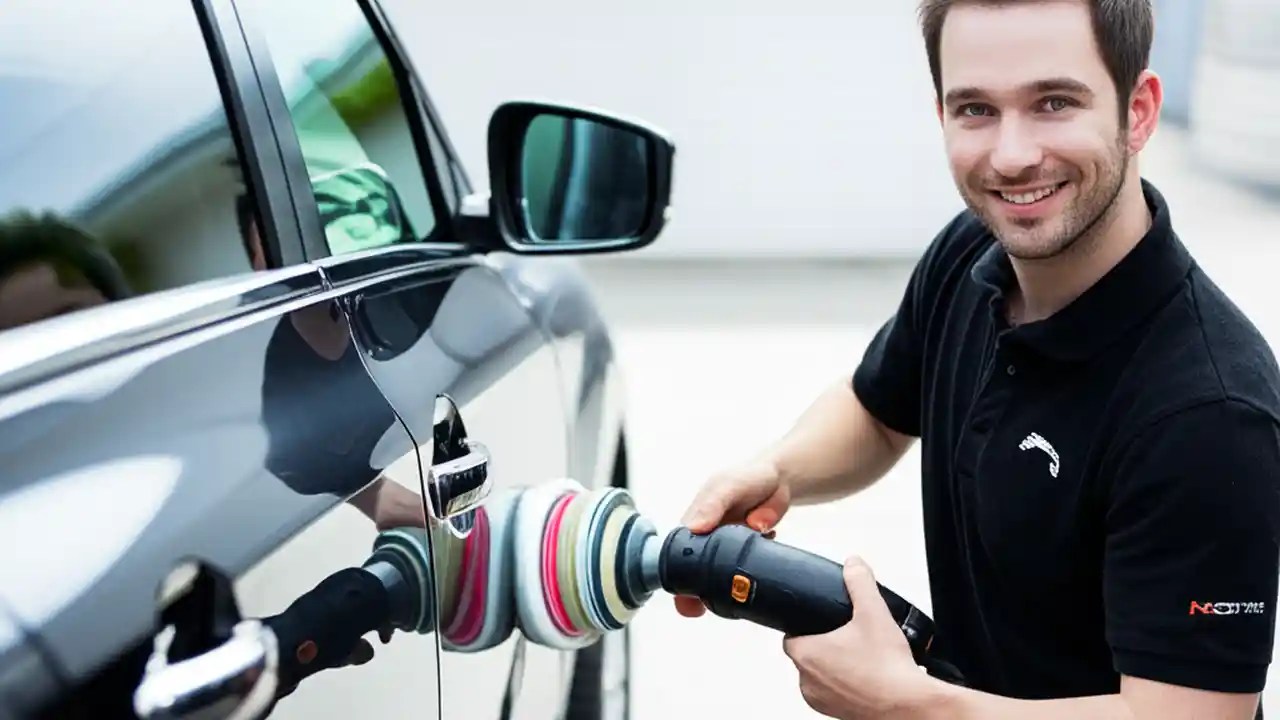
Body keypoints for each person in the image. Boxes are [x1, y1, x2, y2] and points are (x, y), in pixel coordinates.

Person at [676, 1, 1280, 718]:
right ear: (942, 116)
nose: (1012, 154)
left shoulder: (1208, 416)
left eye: (1054, 102)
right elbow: (878, 409)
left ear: (1139, 110)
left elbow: (1188, 716)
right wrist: (777, 472)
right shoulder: (970, 255)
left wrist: (908, 704)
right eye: (976, 110)